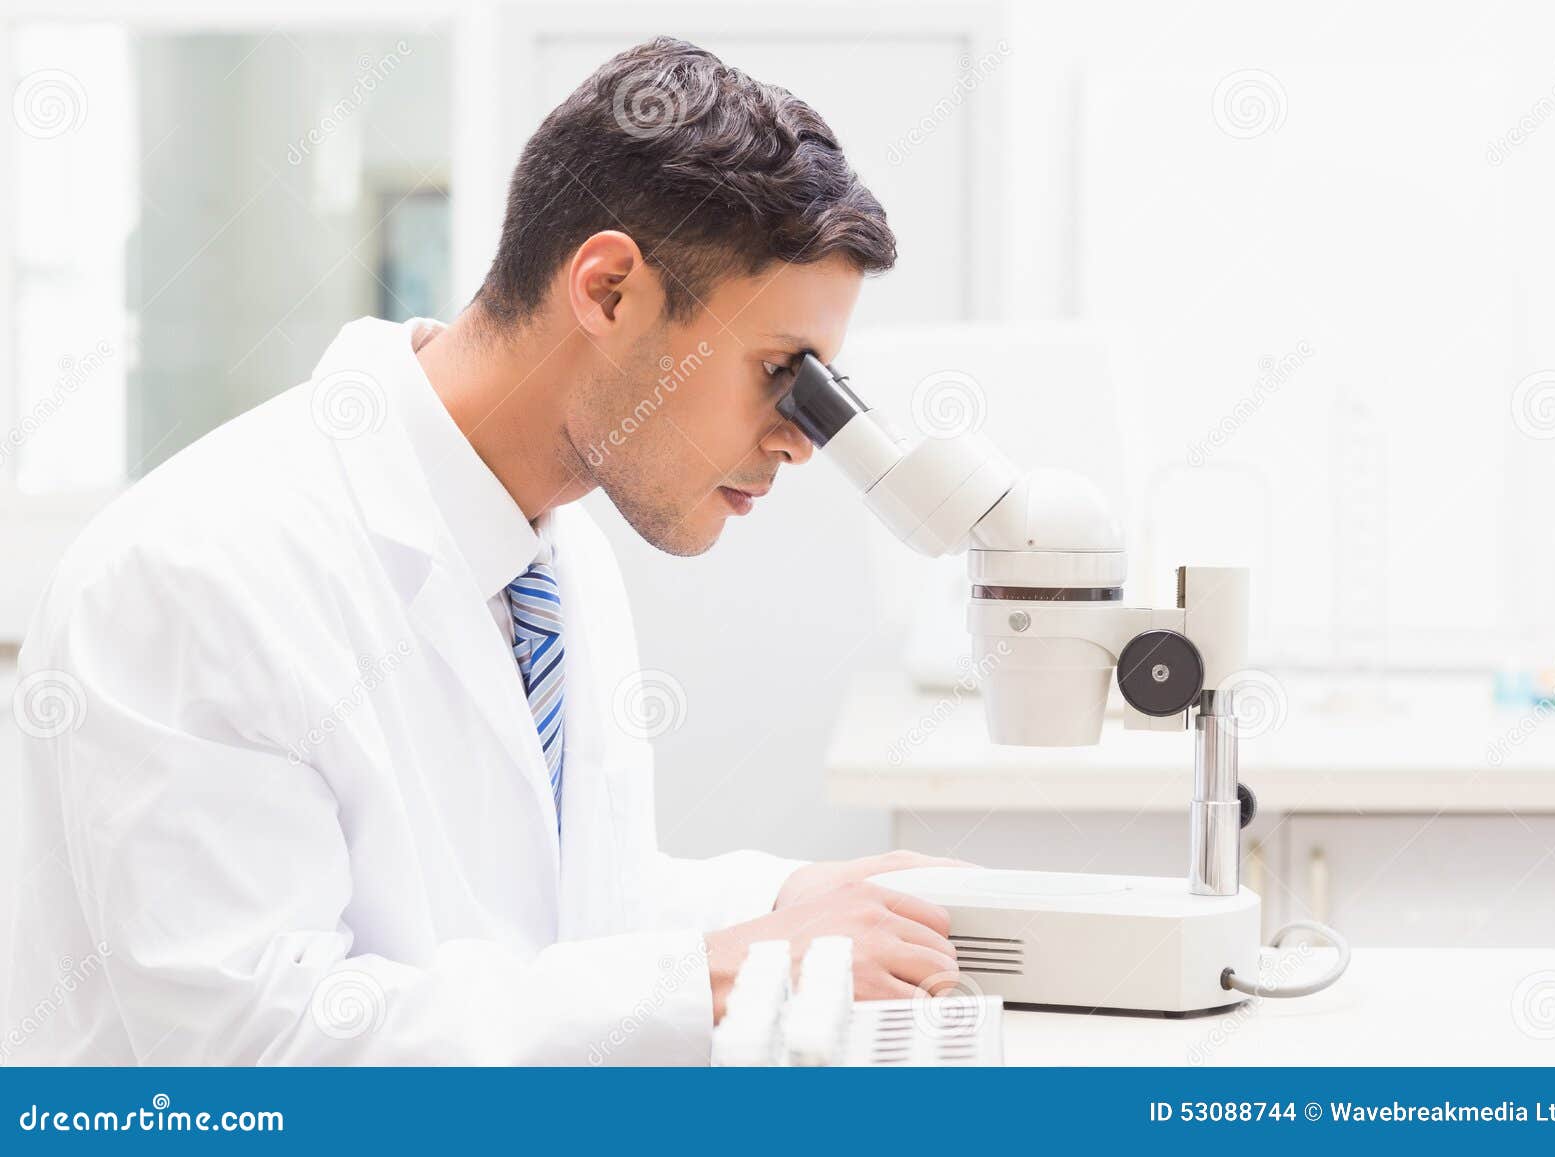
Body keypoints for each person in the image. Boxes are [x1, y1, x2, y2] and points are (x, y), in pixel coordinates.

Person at [4, 37, 965, 1065]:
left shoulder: (553, 555)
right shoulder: (195, 569)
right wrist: (718, 974)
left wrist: (786, 901)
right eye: (780, 371)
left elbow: (557, 917)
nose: (799, 437)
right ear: (607, 292)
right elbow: (255, 1047)